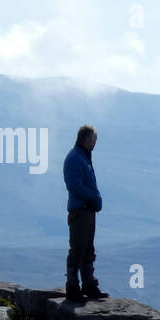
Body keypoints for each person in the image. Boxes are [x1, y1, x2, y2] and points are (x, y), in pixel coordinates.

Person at [62, 125, 108, 301]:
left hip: (87, 210)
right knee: (78, 249)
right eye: (93, 140)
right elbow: (74, 185)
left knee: (88, 249)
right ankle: (73, 288)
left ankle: (89, 285)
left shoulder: (83, 157)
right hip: (80, 210)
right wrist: (93, 197)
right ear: (86, 139)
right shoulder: (75, 158)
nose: (95, 143)